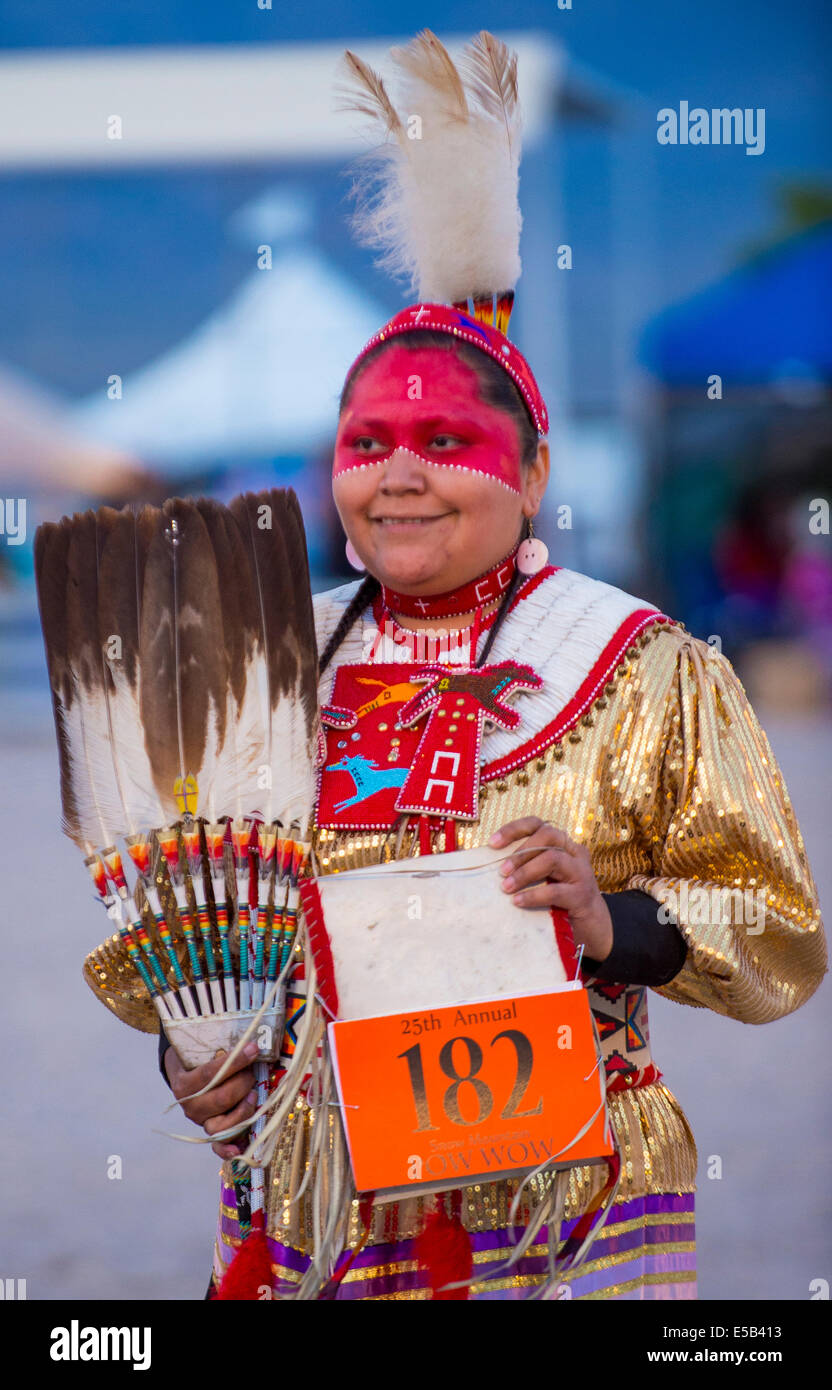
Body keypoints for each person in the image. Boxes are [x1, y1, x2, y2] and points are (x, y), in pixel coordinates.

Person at [145, 30, 829, 1299]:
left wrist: (605, 919)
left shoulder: (642, 666)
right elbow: (197, 936)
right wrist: (198, 1064)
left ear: (530, 475)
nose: (396, 471)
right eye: (366, 440)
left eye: (444, 438)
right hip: (313, 1192)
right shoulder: (264, 666)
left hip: (567, 1200)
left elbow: (778, 930)